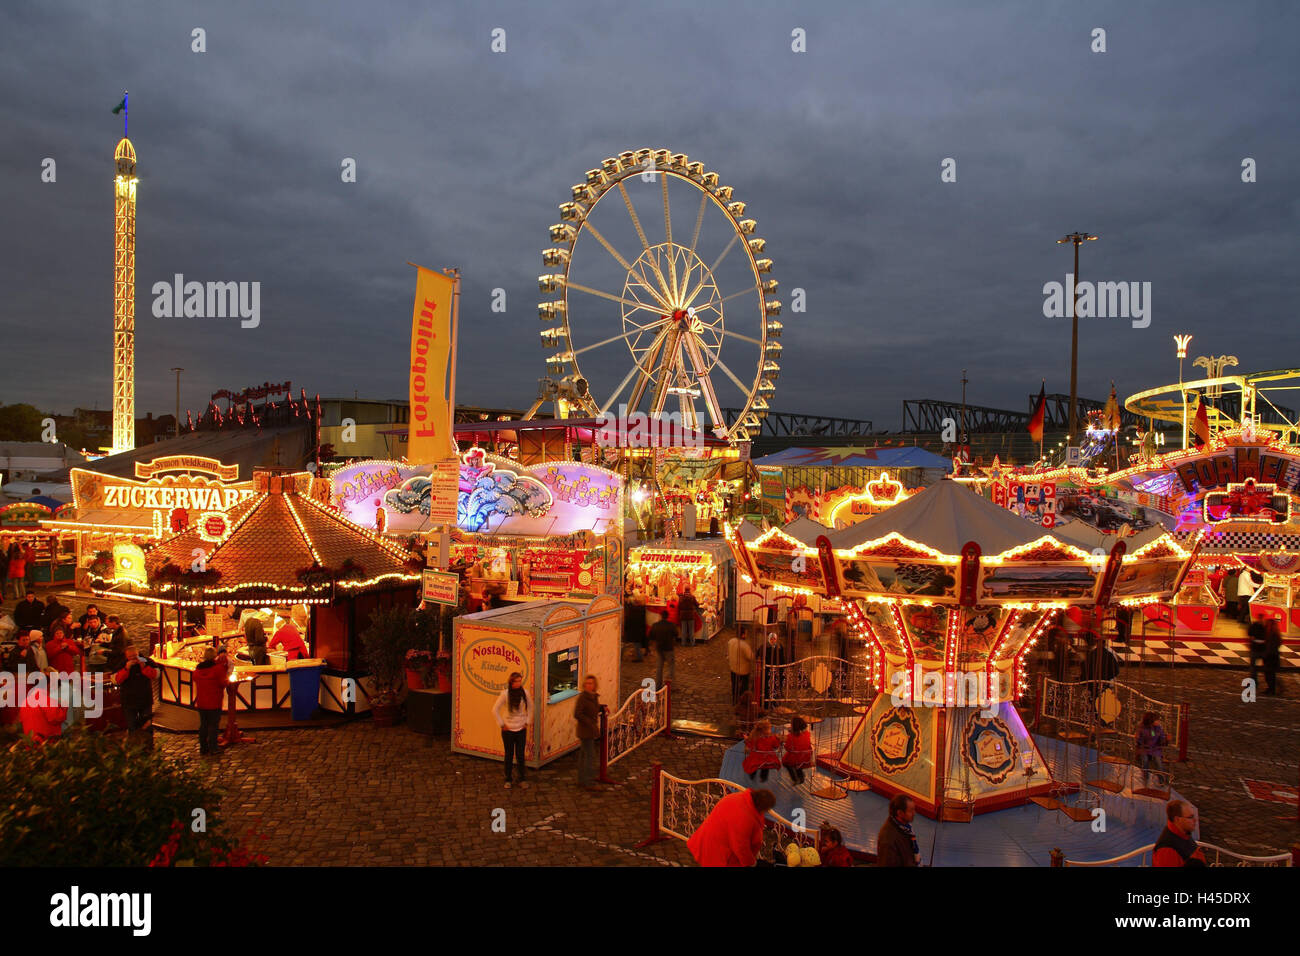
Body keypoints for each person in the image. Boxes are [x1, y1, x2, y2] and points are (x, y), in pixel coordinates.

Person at [686, 788, 776, 867]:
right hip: (720, 855)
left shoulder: (738, 798)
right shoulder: (745, 818)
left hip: (709, 844)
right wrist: (751, 863)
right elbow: (740, 846)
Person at [491, 671, 531, 789]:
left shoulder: (525, 693)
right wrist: (502, 724)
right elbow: (495, 709)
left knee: (520, 755)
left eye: (520, 681)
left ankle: (522, 778)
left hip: (520, 728)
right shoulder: (505, 694)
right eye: (516, 681)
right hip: (508, 730)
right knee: (509, 754)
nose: (519, 683)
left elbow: (531, 707)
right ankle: (508, 779)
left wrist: (527, 722)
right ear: (511, 682)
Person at [192, 646, 229, 756]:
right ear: (215, 657)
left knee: (203, 725)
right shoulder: (218, 669)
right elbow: (223, 683)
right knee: (213, 725)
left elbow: (195, 679)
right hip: (214, 701)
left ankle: (203, 748)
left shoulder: (198, 670)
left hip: (202, 702)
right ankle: (213, 747)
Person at [114, 646, 158, 734]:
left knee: (147, 727)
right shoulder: (122, 664)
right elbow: (116, 680)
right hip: (129, 701)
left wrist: (144, 668)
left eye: (135, 656)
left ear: (138, 654)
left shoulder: (147, 661)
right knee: (132, 727)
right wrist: (126, 669)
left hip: (145, 700)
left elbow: (156, 675)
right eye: (131, 657)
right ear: (127, 657)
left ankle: (148, 744)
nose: (134, 659)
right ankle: (134, 744)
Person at [574, 674, 607, 791]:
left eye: (591, 683)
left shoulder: (593, 697)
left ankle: (582, 779)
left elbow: (594, 708)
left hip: (589, 730)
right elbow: (577, 713)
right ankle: (588, 781)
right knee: (589, 756)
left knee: (584, 755)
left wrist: (602, 708)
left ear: (594, 685)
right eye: (587, 683)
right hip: (586, 731)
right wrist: (589, 722)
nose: (588, 685)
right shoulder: (583, 698)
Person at [1152, 800, 1207, 866]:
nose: (1195, 820)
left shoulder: (1183, 833)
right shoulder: (1167, 851)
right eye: (1190, 817)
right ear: (1177, 819)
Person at [876, 794, 920, 866]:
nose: (914, 813)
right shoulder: (888, 839)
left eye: (914, 809)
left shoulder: (905, 828)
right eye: (911, 811)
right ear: (900, 813)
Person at [742, 718, 781, 783]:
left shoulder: (755, 738)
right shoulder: (772, 738)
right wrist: (778, 739)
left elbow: (751, 746)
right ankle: (763, 778)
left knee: (751, 763)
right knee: (765, 766)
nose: (771, 730)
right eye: (770, 729)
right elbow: (776, 746)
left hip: (756, 759)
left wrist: (746, 740)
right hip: (769, 759)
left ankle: (752, 775)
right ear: (765, 730)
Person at [1134, 711, 1168, 784]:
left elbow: (1162, 737)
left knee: (1159, 763)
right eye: (1156, 720)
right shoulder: (1142, 728)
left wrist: (1165, 739)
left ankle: (1162, 780)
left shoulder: (1158, 728)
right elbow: (1139, 740)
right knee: (1145, 761)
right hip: (1145, 748)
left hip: (1155, 748)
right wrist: (1140, 743)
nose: (1158, 721)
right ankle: (1145, 778)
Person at [782, 715, 813, 784]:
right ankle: (800, 775)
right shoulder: (807, 734)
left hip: (796, 757)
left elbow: (788, 748)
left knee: (786, 762)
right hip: (806, 757)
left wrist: (785, 742)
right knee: (798, 762)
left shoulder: (790, 737)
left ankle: (794, 778)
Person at [650, 614, 676, 693]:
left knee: (659, 667)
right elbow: (676, 634)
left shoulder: (655, 625)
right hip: (669, 648)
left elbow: (651, 636)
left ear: (660, 617)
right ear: (667, 617)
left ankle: (658, 686)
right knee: (671, 666)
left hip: (659, 648)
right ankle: (671, 686)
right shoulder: (671, 625)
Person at [726, 632, 754, 703]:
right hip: (743, 670)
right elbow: (750, 656)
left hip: (733, 668)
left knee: (734, 685)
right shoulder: (744, 645)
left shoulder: (731, 641)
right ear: (743, 634)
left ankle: (734, 700)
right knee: (744, 687)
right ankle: (742, 701)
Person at [762, 632, 787, 707]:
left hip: (778, 670)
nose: (773, 640)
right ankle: (767, 701)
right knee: (768, 686)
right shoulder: (765, 647)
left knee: (777, 685)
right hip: (768, 671)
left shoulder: (780, 647)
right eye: (771, 639)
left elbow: (782, 658)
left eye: (774, 639)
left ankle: (776, 701)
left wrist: (782, 667)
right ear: (769, 639)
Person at [623, 592, 648, 662]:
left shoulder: (634, 610)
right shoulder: (642, 609)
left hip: (635, 630)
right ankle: (639, 654)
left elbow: (630, 620)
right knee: (637, 643)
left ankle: (639, 657)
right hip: (640, 629)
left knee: (636, 643)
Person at [1262, 619, 1283, 696]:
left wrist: (1266, 654)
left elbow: (1272, 646)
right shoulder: (1271, 633)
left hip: (1271, 656)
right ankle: (1271, 688)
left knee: (1270, 674)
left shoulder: (1273, 634)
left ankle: (1272, 689)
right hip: (1271, 656)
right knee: (1269, 674)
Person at [1247, 621, 1267, 689]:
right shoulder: (1266, 628)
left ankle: (1253, 682)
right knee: (1266, 667)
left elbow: (1250, 635)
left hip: (1255, 649)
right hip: (1263, 649)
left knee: (1253, 667)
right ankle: (1271, 684)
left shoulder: (1254, 626)